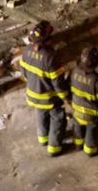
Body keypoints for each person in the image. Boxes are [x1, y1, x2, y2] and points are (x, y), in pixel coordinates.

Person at [20, 21, 68, 156]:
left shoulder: (26, 51)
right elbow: (58, 83)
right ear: (47, 40)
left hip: (33, 94)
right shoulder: (51, 57)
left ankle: (43, 138)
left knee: (41, 114)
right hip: (49, 98)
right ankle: (54, 147)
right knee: (57, 118)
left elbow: (23, 73)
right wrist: (65, 97)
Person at [70, 46, 98, 156]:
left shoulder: (74, 72)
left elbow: (68, 88)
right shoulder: (97, 80)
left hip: (76, 110)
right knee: (91, 131)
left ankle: (78, 144)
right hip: (91, 115)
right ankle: (90, 150)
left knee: (77, 127)